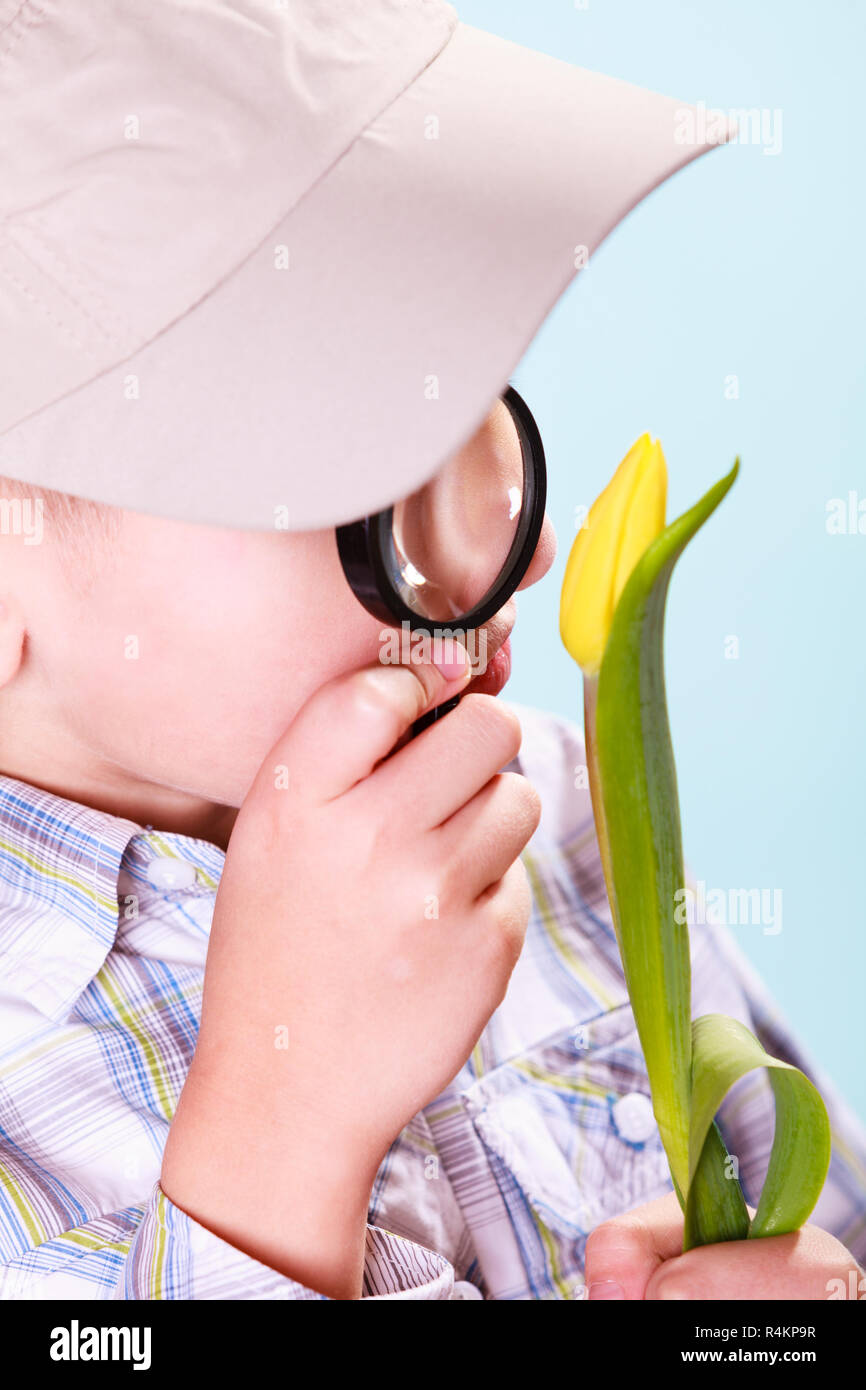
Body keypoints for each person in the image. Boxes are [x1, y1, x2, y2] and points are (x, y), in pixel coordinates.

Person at [0, 0, 863, 1301]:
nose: (524, 547)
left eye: (474, 399)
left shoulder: (558, 802)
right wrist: (281, 1133)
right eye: (362, 472)